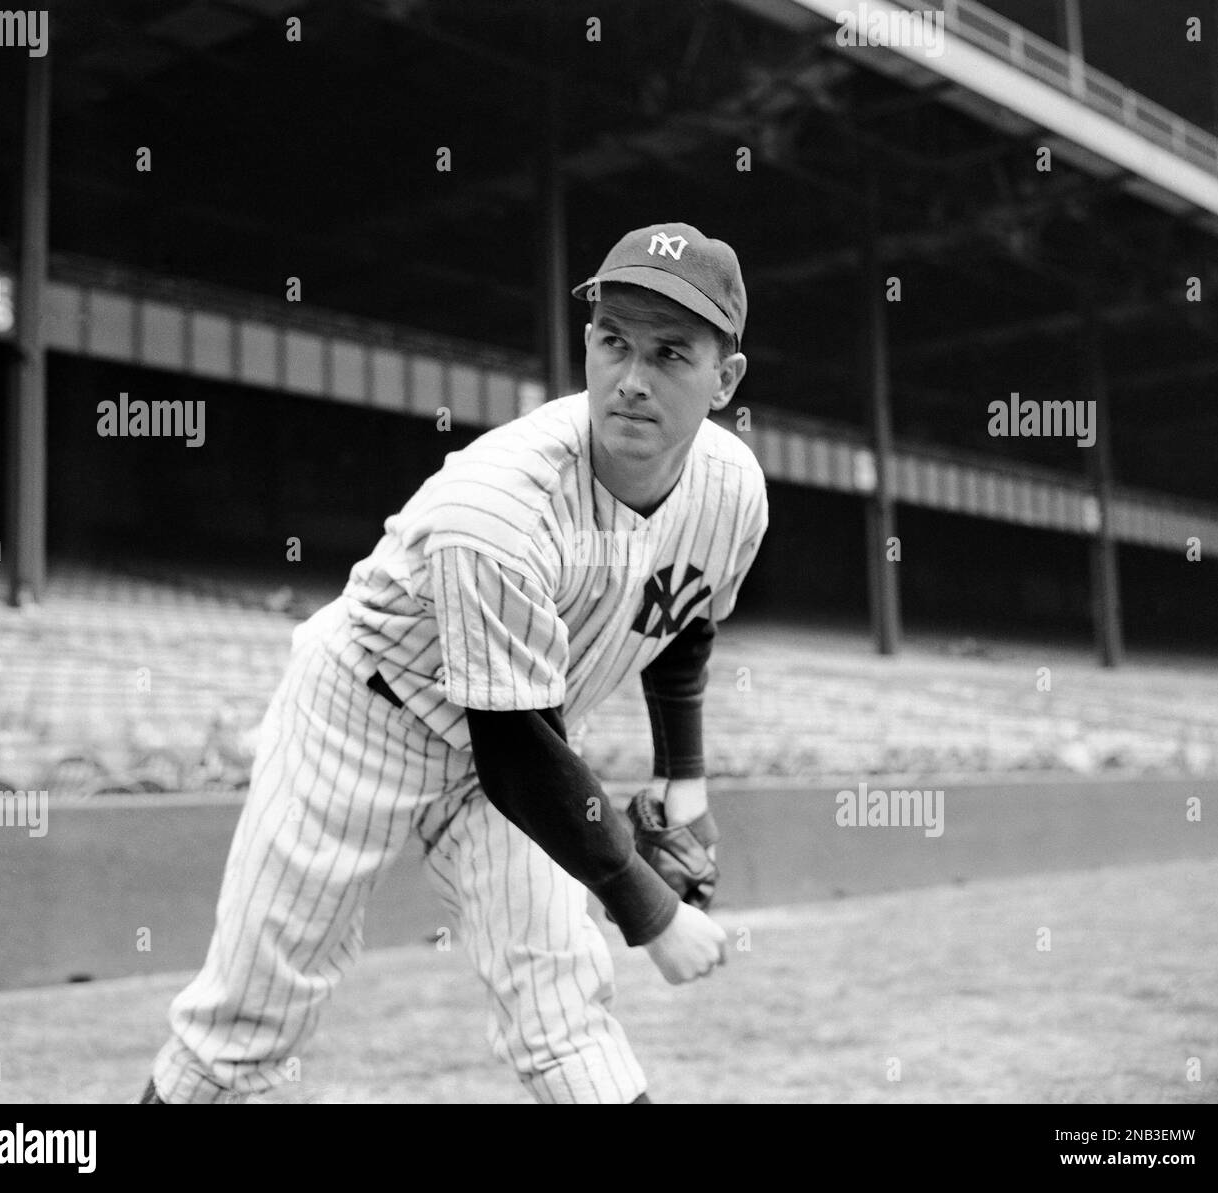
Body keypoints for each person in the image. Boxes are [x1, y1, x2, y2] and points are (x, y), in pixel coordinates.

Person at [140, 222, 768, 1105]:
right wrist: (647, 907)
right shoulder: (500, 503)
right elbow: (511, 750)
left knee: (565, 1013)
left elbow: (683, 619)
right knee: (249, 1017)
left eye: (670, 352)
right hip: (363, 717)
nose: (631, 378)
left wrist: (685, 781)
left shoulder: (733, 488)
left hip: (523, 743)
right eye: (613, 341)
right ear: (586, 342)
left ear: (725, 379)